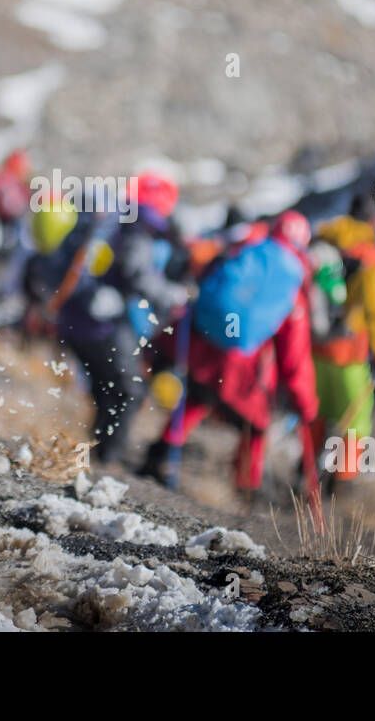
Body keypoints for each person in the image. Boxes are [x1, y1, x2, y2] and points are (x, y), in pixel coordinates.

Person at [142, 212, 320, 509]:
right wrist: (306, 404)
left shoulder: (248, 250)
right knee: (257, 424)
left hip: (206, 348)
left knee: (198, 399)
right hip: (245, 367)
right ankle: (245, 492)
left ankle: (162, 456)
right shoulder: (292, 284)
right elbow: (295, 357)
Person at [23, 174, 189, 465]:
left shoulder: (111, 219)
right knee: (127, 390)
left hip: (74, 319)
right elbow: (133, 270)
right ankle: (107, 461)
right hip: (103, 323)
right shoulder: (139, 225)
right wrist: (170, 295)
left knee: (106, 388)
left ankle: (95, 456)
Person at [307, 192, 375, 488]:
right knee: (355, 424)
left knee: (316, 414)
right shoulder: (374, 258)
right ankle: (339, 486)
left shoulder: (322, 242)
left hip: (315, 348)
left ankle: (305, 474)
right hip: (350, 356)